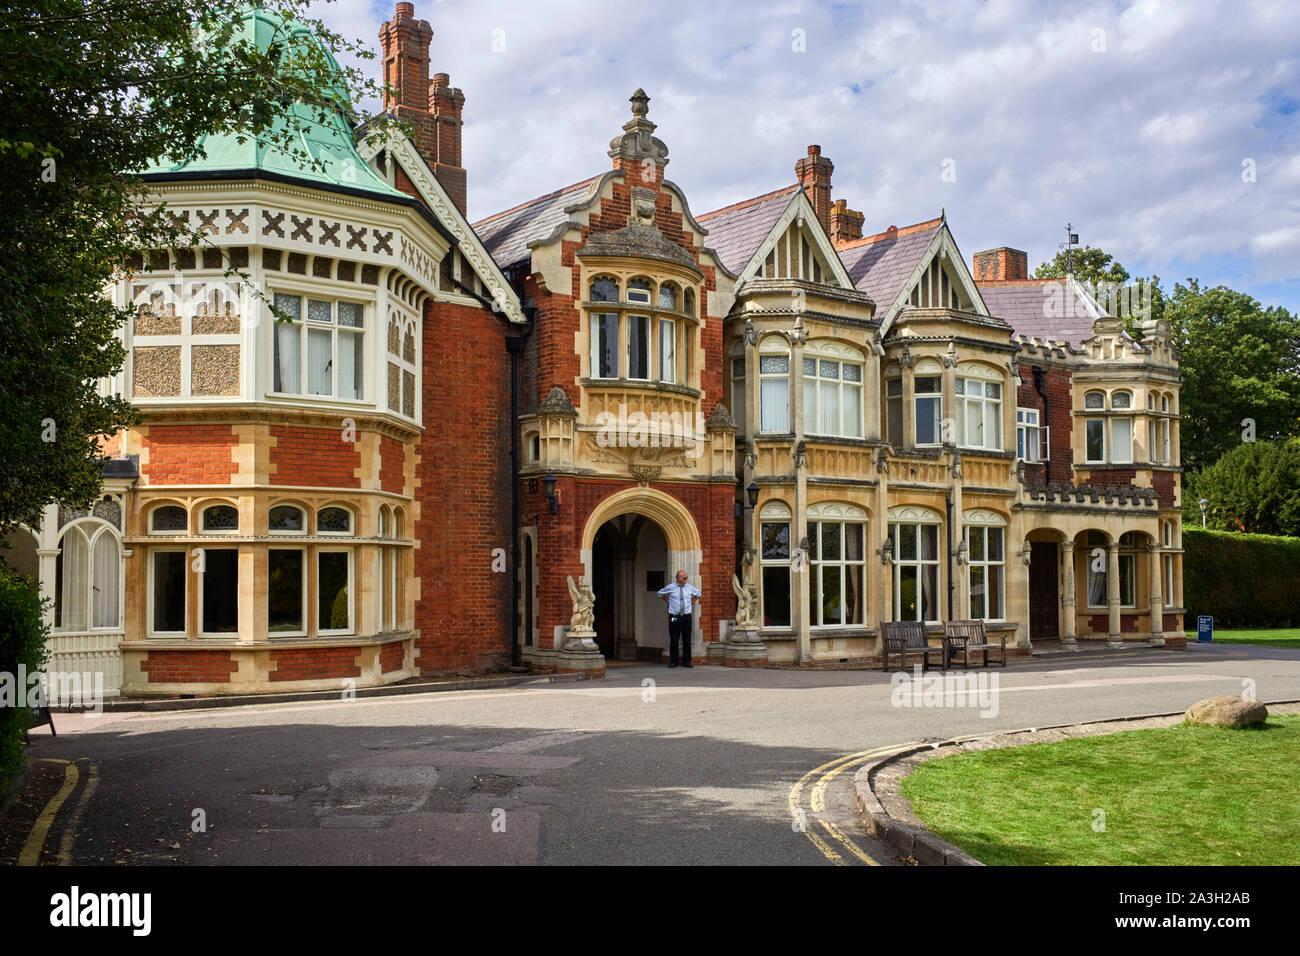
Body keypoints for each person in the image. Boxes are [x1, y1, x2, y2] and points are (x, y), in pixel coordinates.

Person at [657, 570, 702, 668]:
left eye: (686, 577)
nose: (686, 579)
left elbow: (698, 594)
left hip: (686, 617)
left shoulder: (689, 587)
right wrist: (668, 600)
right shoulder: (671, 587)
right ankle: (673, 661)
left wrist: (691, 602)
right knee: (674, 639)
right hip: (674, 617)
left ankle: (687, 661)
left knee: (687, 639)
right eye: (685, 578)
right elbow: (660, 593)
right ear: (678, 578)